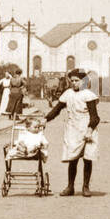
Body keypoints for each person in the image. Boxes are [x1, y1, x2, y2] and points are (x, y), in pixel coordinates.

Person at [44, 68, 101, 197]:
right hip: (73, 129)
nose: (74, 83)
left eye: (77, 81)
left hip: (87, 128)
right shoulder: (67, 94)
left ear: (84, 81)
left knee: (87, 158)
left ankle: (86, 187)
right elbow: (57, 109)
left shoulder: (88, 95)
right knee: (72, 159)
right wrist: (45, 119)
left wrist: (90, 130)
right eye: (72, 81)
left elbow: (95, 117)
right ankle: (70, 187)